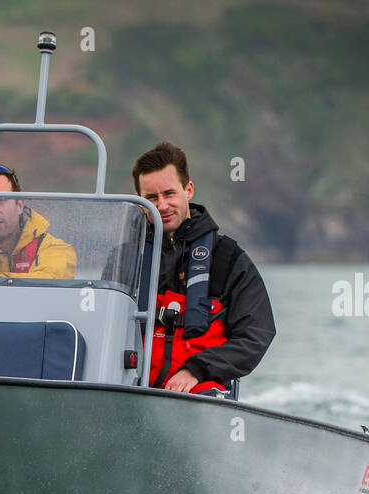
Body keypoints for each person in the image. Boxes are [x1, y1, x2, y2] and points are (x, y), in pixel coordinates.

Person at [111, 142, 275, 394]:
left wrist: (197, 369)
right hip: (130, 389)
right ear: (139, 201)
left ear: (188, 190)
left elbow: (255, 335)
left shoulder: (229, 259)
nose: (162, 205)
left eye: (169, 193)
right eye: (152, 197)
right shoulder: (124, 257)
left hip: (200, 391)